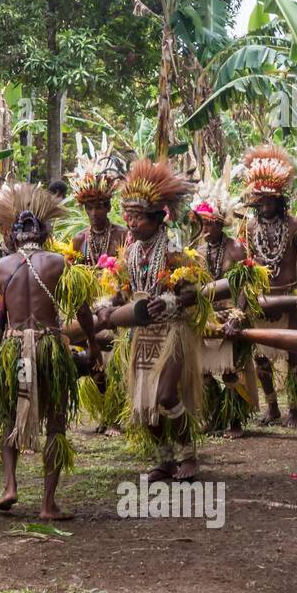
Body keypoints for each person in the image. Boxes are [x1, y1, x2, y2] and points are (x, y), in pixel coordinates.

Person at [0, 183, 101, 519]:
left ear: (14, 237)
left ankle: (10, 486)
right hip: (48, 350)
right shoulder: (58, 262)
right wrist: (92, 344)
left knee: (9, 415)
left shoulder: (1, 268)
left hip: (14, 351)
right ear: (44, 234)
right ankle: (47, 504)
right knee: (55, 424)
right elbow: (83, 309)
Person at [106, 159, 207, 482]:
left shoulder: (175, 249)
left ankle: (188, 454)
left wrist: (169, 300)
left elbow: (192, 292)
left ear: (155, 218)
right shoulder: (132, 251)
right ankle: (165, 460)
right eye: (129, 216)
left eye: (137, 217)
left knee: (165, 395)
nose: (131, 223)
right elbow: (122, 289)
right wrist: (106, 305)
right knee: (146, 401)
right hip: (143, 334)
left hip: (172, 331)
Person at [238, 144, 297, 427]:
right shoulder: (249, 229)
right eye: (260, 201)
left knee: (292, 357)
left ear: (280, 200)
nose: (265, 205)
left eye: (270, 200)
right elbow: (245, 264)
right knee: (261, 358)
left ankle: (294, 410)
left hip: (289, 297)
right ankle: (272, 406)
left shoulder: (294, 225)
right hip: (260, 299)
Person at [191, 171, 265, 439]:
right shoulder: (197, 253)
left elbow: (247, 286)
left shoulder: (236, 249)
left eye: (210, 224)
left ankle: (234, 421)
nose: (205, 229)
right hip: (208, 319)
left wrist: (237, 316)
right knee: (205, 373)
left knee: (232, 373)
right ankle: (212, 417)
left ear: (221, 223)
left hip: (234, 314)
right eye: (202, 224)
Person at [67, 139, 130, 435]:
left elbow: (129, 275)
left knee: (115, 354)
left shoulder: (124, 235)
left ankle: (118, 414)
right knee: (90, 355)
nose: (94, 212)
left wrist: (116, 300)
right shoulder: (79, 240)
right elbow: (73, 279)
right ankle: (107, 413)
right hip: (87, 310)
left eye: (99, 206)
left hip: (118, 306)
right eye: (89, 207)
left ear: (108, 205)